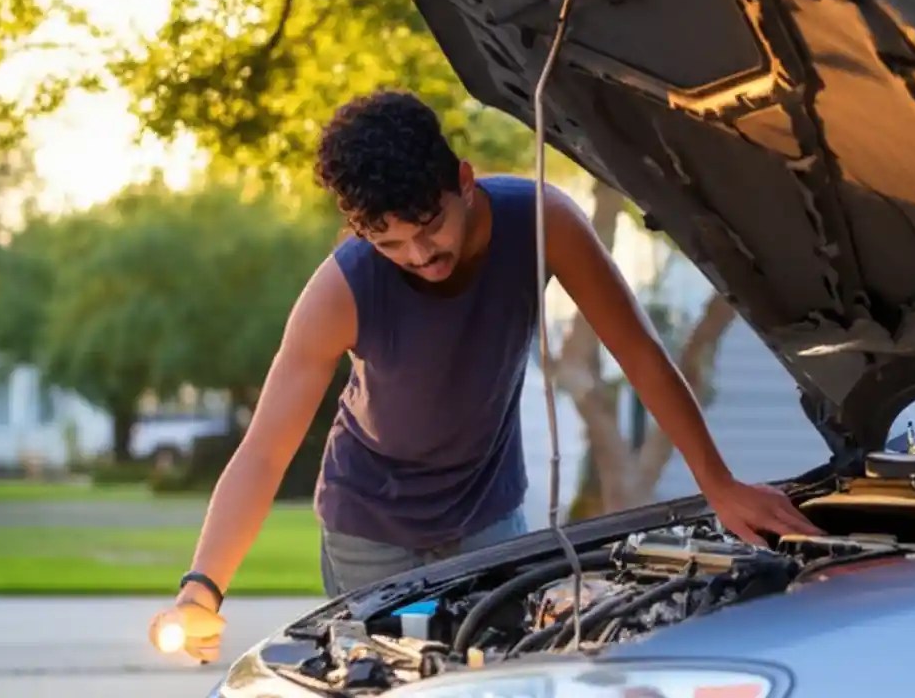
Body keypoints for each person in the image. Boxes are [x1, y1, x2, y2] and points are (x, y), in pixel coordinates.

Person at [147, 90, 822, 662]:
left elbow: (640, 353)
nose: (418, 255)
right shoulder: (341, 292)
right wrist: (200, 588)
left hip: (488, 516)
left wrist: (718, 484)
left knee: (500, 676)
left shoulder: (543, 223)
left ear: (463, 180)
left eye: (429, 226)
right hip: (369, 528)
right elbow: (266, 449)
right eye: (389, 244)